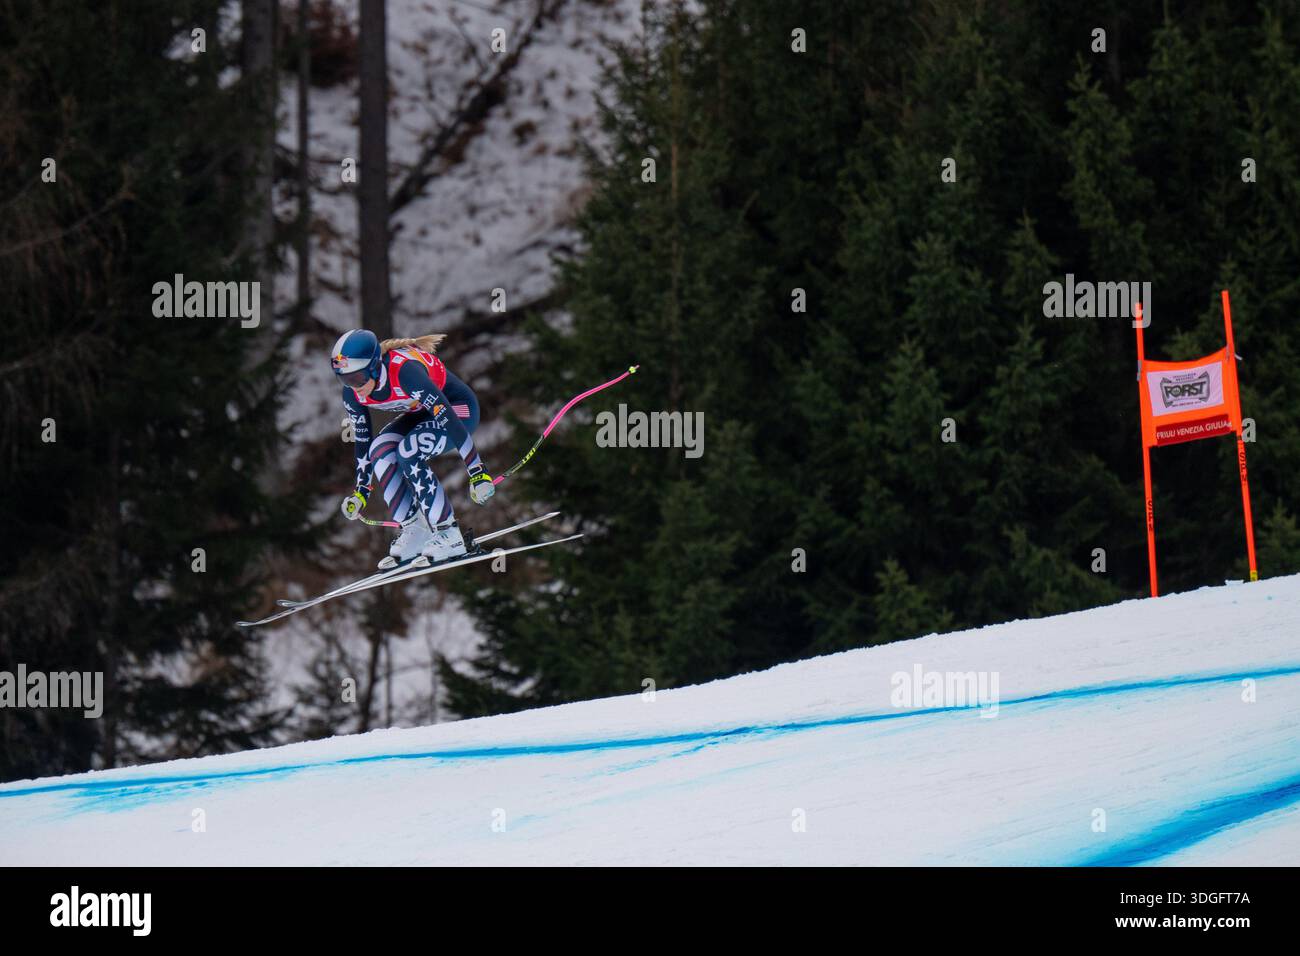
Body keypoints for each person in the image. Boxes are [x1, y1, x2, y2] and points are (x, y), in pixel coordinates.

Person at [330, 329, 494, 568]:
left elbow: (448, 417)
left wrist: (477, 472)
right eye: (344, 379)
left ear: (374, 366)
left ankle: (448, 533)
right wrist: (361, 492)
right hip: (422, 414)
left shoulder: (406, 373)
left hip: (458, 410)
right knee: (381, 450)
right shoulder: (353, 394)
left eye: (357, 379)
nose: (354, 387)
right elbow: (363, 439)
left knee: (409, 450)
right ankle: (415, 529)